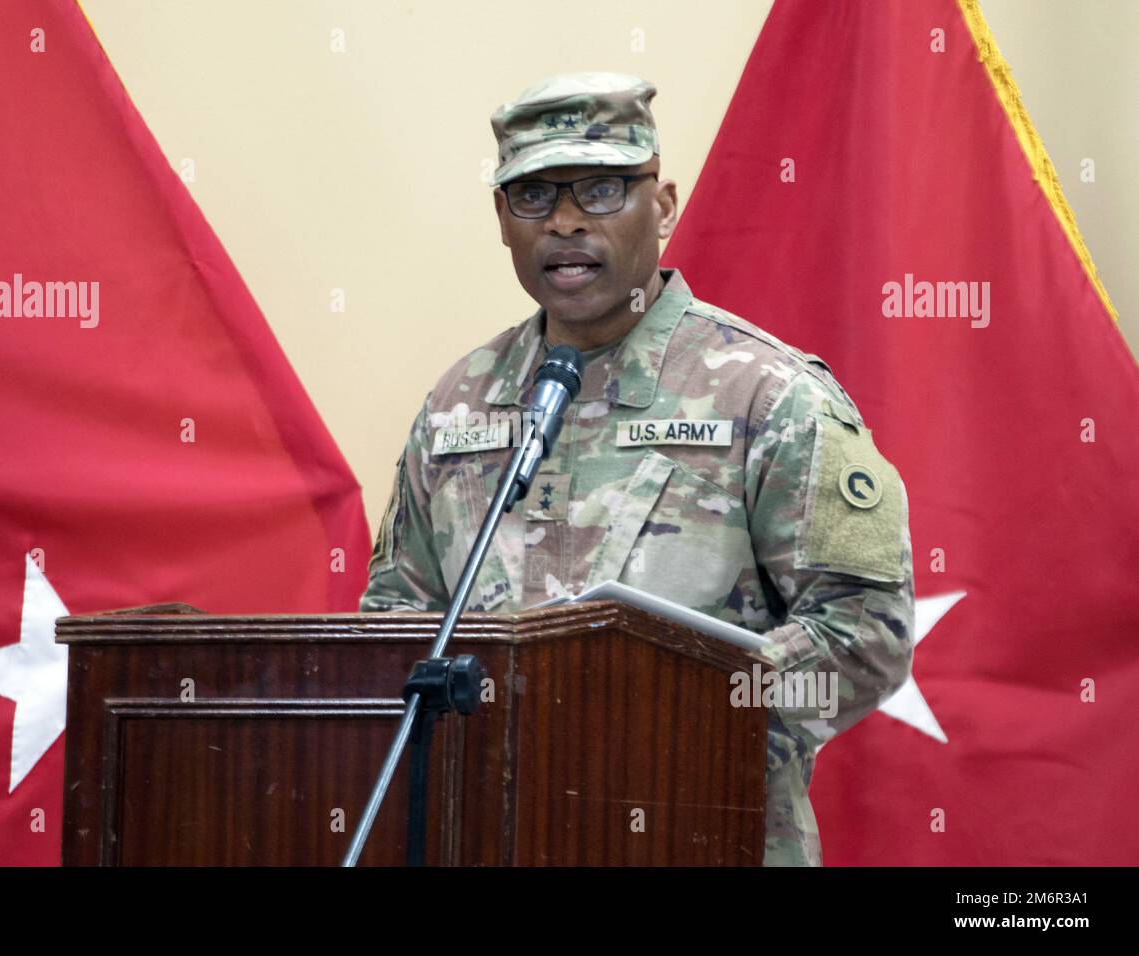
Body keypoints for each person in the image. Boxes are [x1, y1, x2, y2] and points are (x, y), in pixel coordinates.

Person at [359, 72, 915, 866]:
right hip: (486, 836)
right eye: (533, 197)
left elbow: (868, 637)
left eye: (601, 190)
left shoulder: (772, 395)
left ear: (662, 205)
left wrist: (667, 716)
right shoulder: (458, 404)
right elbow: (391, 625)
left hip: (699, 835)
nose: (565, 222)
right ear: (502, 220)